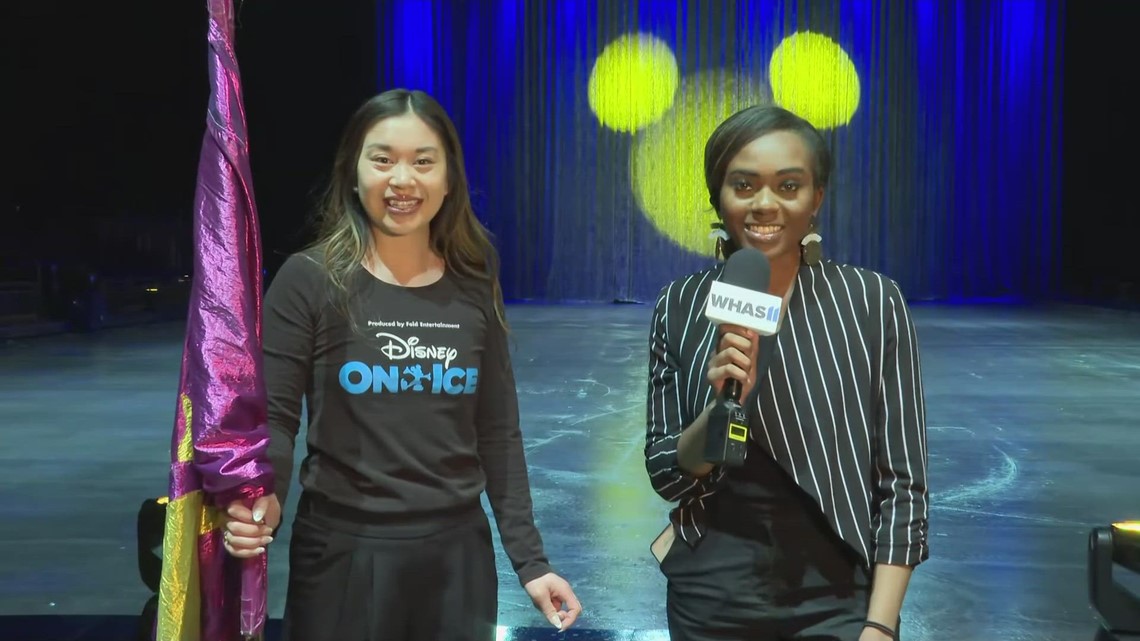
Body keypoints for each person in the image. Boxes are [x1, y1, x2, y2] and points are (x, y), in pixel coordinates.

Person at [221, 88, 582, 641]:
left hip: (457, 560)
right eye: (383, 159)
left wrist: (531, 562)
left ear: (448, 176)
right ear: (354, 170)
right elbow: (274, 417)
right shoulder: (310, 280)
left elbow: (498, 433)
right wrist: (260, 493)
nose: (402, 180)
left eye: (423, 161)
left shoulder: (474, 285)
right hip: (343, 556)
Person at [644, 104, 929, 641]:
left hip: (838, 596)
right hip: (710, 599)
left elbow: (903, 482)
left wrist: (881, 624)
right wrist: (715, 416)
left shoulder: (870, 301)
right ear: (717, 197)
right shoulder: (679, 304)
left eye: (789, 185)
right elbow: (664, 471)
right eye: (744, 185)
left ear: (816, 198)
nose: (765, 204)